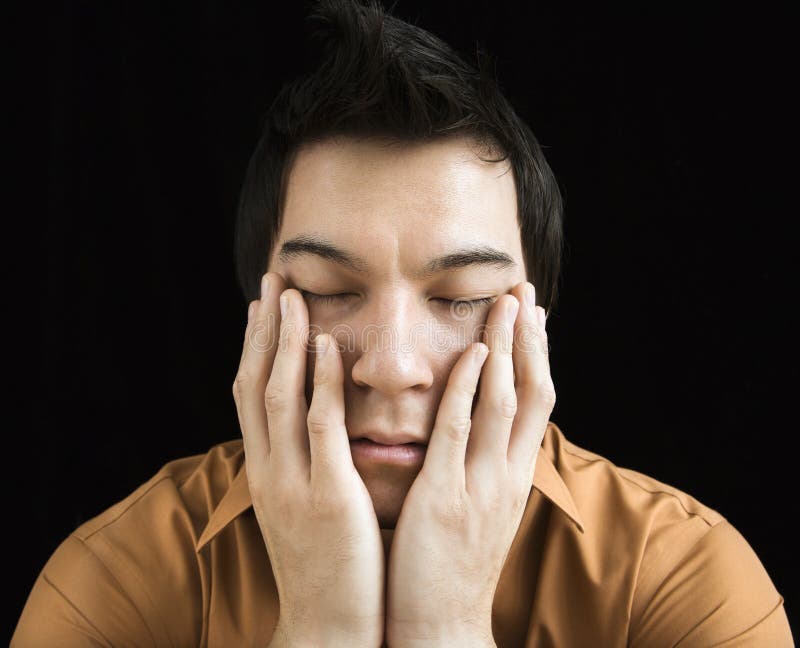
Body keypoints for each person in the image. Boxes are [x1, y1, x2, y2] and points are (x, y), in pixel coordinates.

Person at [12, 0, 793, 646]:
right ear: (259, 316)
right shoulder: (118, 584)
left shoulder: (679, 582)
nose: (391, 367)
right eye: (326, 288)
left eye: (459, 299)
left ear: (534, 333)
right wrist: (321, 627)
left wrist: (446, 625)